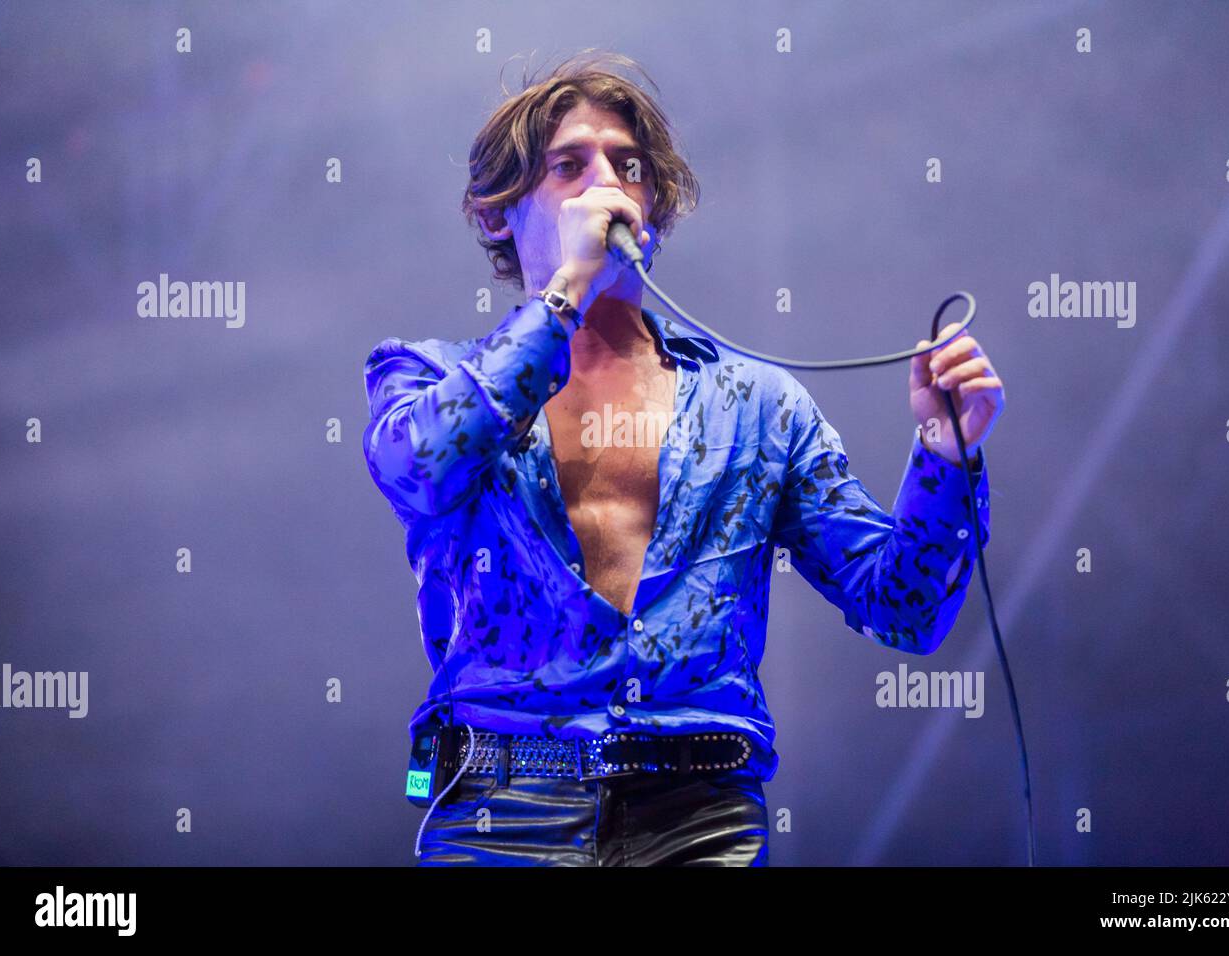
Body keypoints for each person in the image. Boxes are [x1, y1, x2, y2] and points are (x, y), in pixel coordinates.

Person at [361, 51, 1005, 866]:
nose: (608, 186)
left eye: (629, 168)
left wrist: (947, 457)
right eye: (570, 166)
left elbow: (903, 610)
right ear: (498, 213)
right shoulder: (425, 376)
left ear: (655, 206)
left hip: (699, 810)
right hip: (499, 803)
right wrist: (564, 295)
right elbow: (420, 469)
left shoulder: (757, 406)